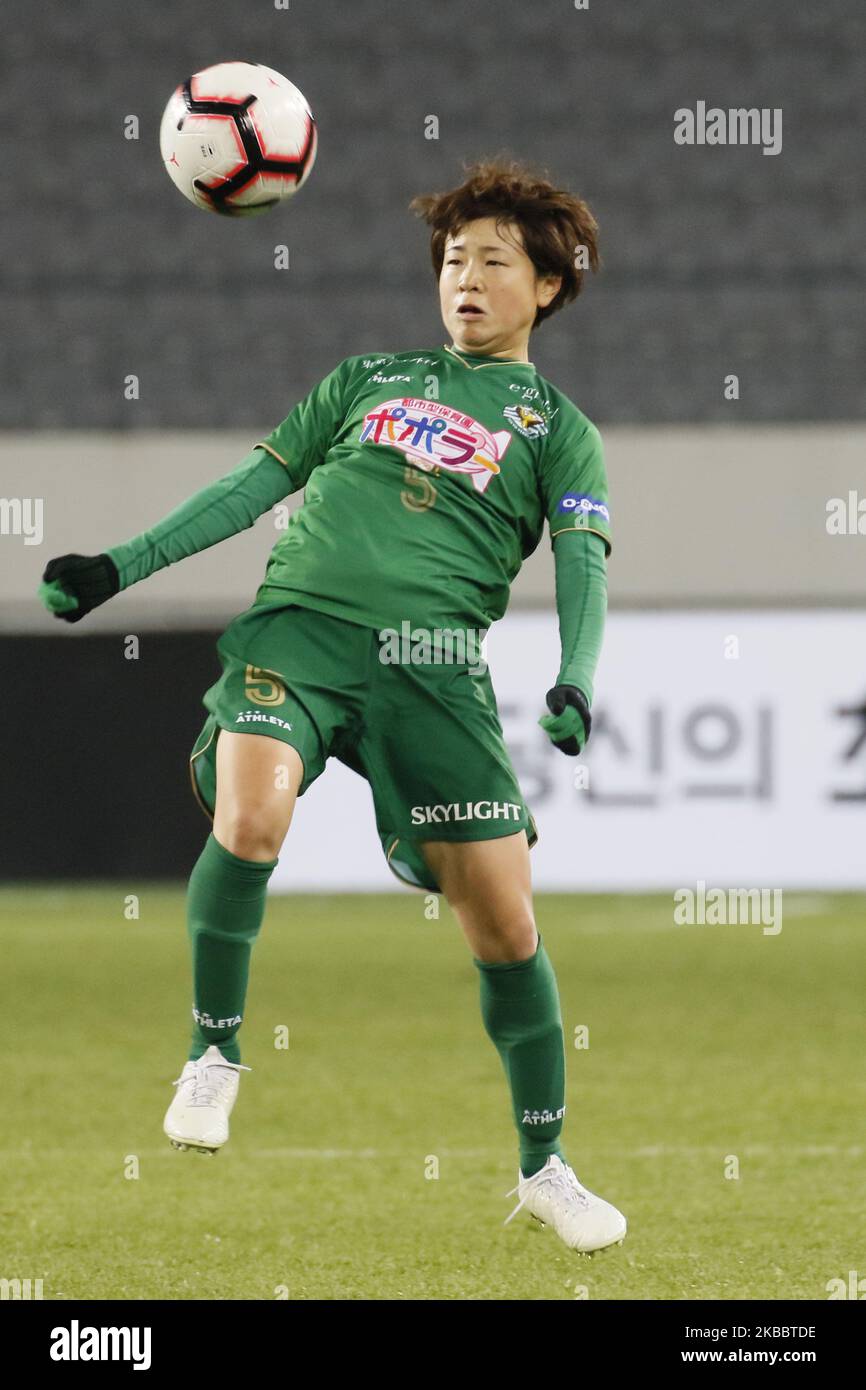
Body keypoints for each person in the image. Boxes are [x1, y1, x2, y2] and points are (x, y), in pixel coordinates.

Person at [38, 157, 625, 1256]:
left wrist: (575, 677)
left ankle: (545, 1166)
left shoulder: (558, 428)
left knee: (504, 925)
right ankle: (214, 1055)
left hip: (436, 668)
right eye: (452, 259)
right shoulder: (362, 380)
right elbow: (249, 489)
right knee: (252, 814)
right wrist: (119, 566)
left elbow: (586, 567)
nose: (465, 278)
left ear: (547, 286)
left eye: (494, 261)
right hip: (300, 629)